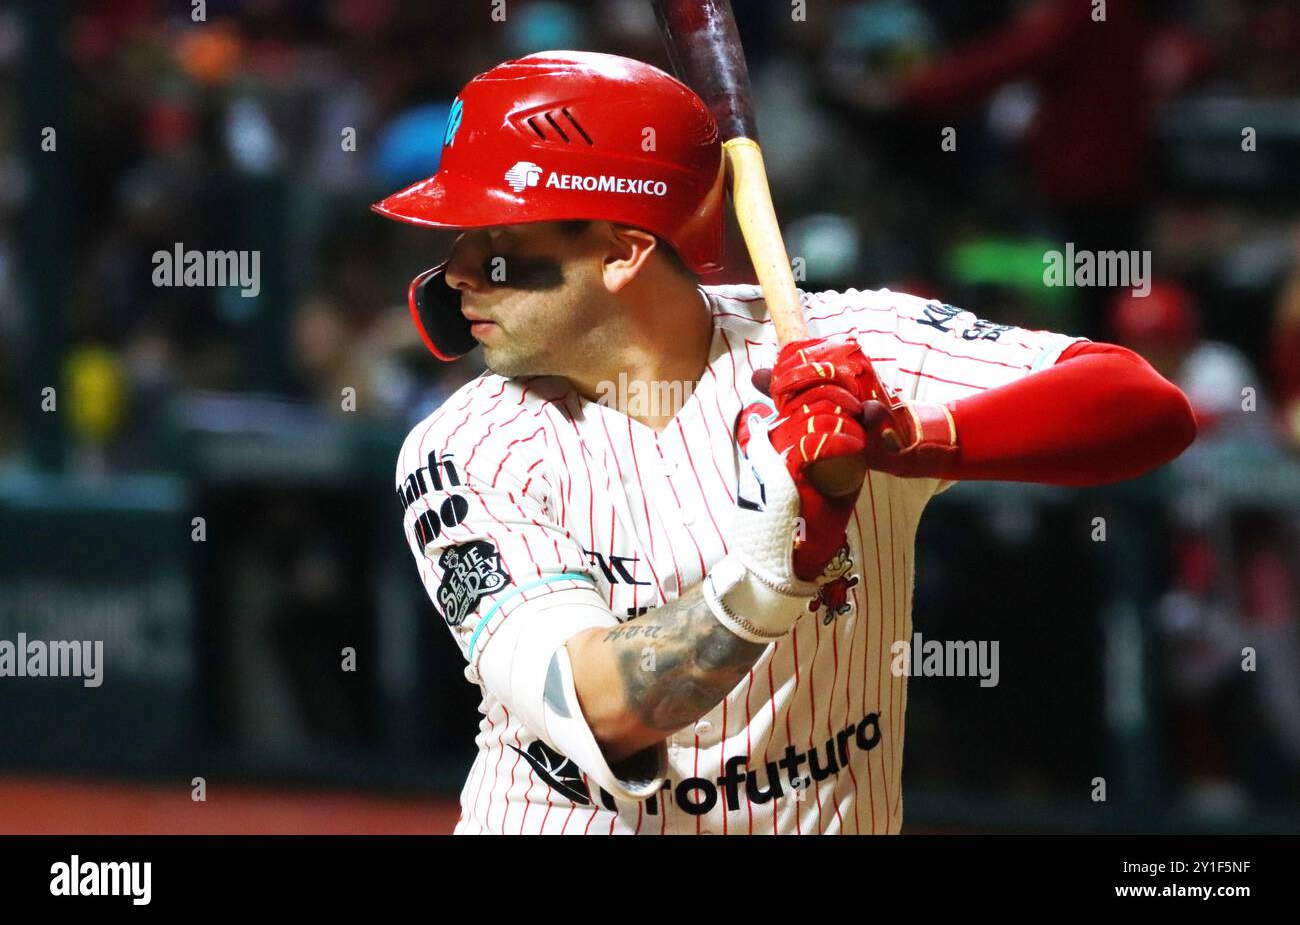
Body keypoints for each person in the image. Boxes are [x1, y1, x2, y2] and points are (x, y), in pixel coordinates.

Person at [377, 51, 1197, 834]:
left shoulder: (847, 341)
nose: (455, 275)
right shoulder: (468, 447)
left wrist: (909, 438)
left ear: (623, 254)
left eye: (495, 245)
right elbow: (599, 705)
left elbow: (1147, 407)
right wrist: (776, 570)